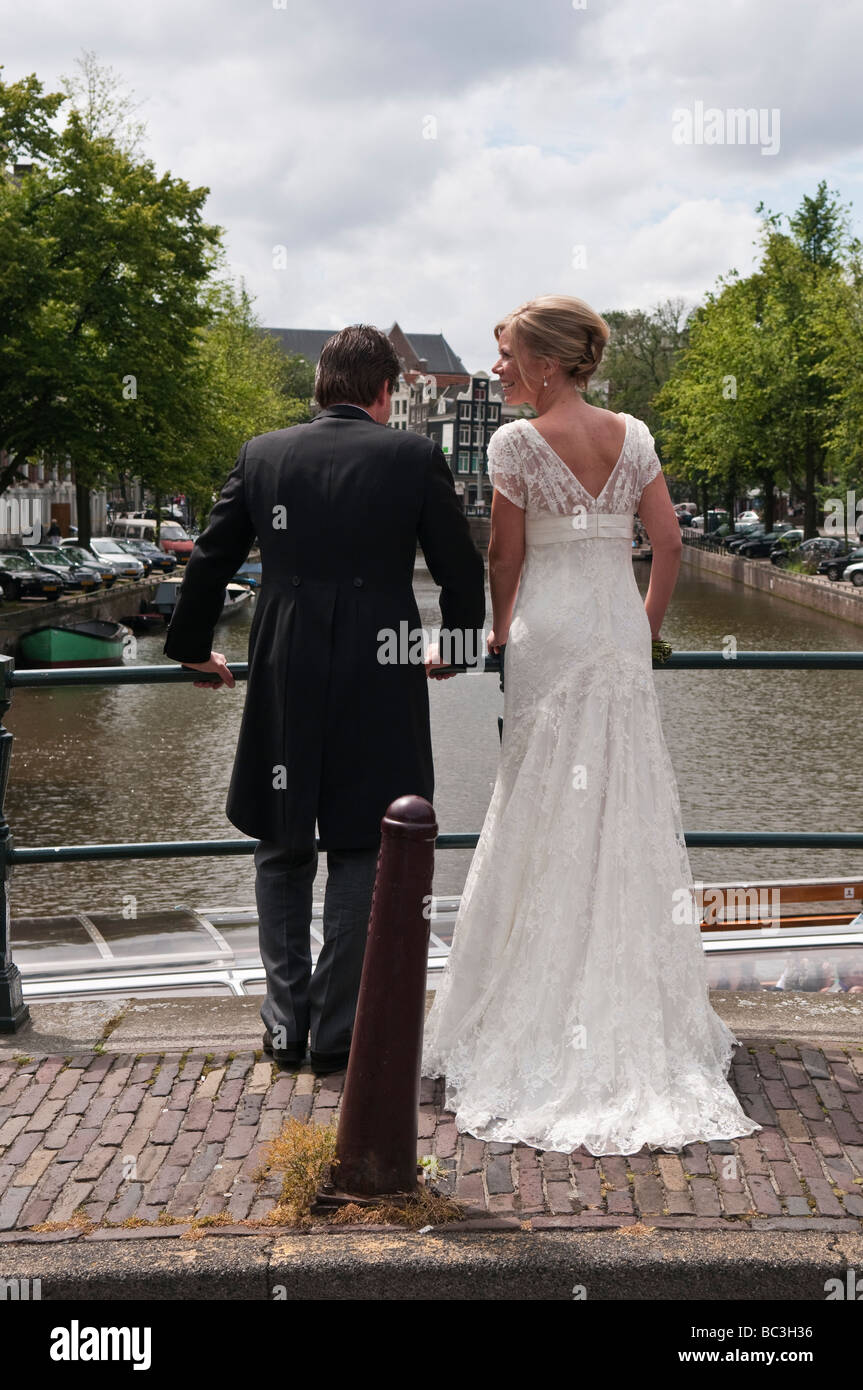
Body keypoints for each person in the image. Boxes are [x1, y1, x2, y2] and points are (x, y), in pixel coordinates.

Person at [422, 294, 761, 1155]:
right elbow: (669, 544)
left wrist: (501, 626)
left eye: (504, 356)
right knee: (623, 804)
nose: (495, 370)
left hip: (549, 635)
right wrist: (640, 630)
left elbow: (505, 554)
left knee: (535, 807)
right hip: (613, 632)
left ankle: (527, 999)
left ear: (542, 361)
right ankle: (632, 1010)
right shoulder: (633, 433)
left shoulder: (514, 445)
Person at [163, 325, 485, 1075]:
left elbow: (210, 559)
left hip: (285, 659)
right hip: (381, 661)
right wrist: (459, 649)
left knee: (281, 843)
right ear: (383, 392)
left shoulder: (264, 453)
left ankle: (285, 1025)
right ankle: (337, 1033)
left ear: (318, 386)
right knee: (362, 844)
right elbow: (459, 570)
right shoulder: (412, 456)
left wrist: (188, 648)